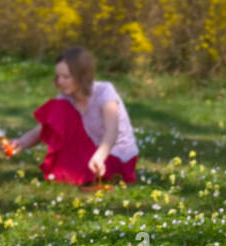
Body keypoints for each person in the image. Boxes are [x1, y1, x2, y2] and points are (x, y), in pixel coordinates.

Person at [8, 46, 139, 186]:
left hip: (116, 152)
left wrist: (100, 156)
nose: (60, 81)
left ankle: (85, 170)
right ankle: (73, 169)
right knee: (58, 108)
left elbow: (112, 131)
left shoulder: (104, 91)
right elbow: (43, 129)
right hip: (91, 150)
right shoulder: (66, 98)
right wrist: (21, 143)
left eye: (66, 77)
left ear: (82, 76)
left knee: (78, 170)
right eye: (58, 76)